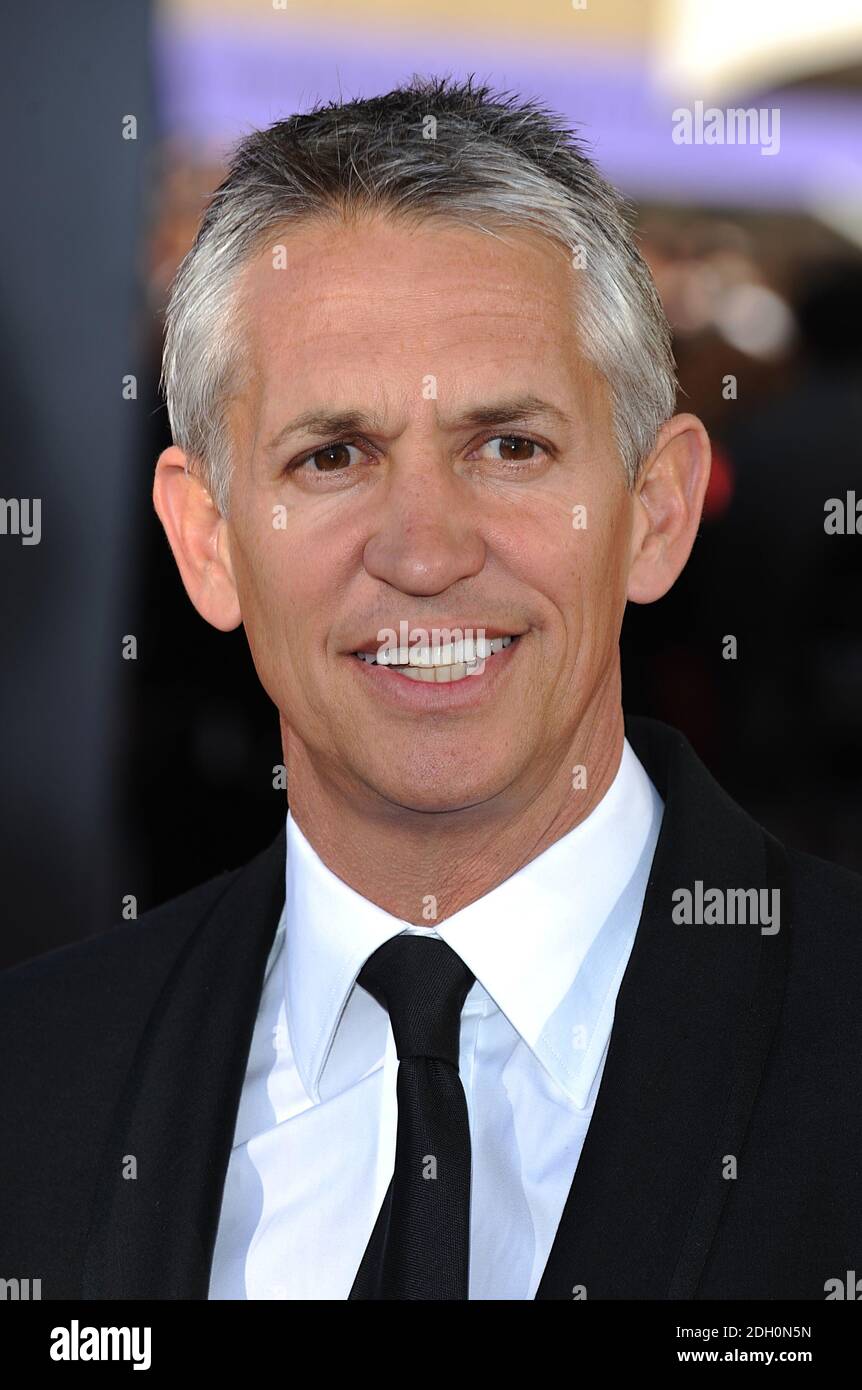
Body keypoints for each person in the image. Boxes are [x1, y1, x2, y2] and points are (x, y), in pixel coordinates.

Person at [1, 76, 860, 1302]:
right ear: (206, 541)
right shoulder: (33, 1079)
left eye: (509, 447)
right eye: (333, 455)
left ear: (656, 512)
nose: (422, 548)